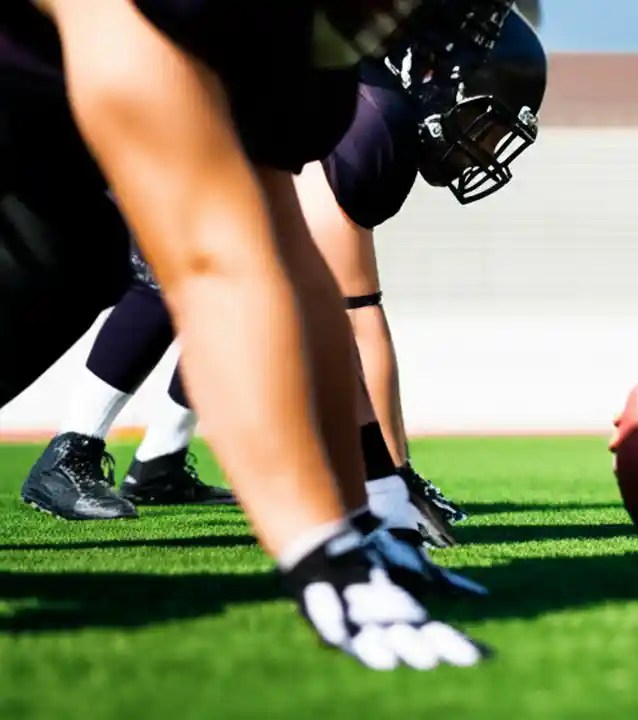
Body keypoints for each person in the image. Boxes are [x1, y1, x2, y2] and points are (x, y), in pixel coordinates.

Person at [0, 0, 517, 669]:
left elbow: (293, 260)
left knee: (69, 260)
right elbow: (212, 260)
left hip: (44, 131)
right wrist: (317, 550)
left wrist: (369, 513)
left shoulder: (304, 37)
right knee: (58, 258)